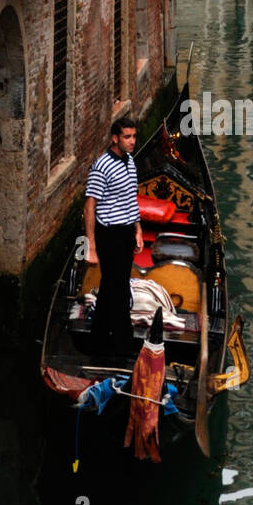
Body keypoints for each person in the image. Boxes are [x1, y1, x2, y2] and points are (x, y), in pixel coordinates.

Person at [84, 117, 143, 353]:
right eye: (127, 137)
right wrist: (91, 246)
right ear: (115, 138)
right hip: (108, 234)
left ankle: (97, 340)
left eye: (134, 136)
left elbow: (131, 199)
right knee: (118, 290)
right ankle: (124, 347)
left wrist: (138, 230)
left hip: (126, 232)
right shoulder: (102, 166)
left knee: (111, 287)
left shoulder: (130, 162)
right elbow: (90, 206)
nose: (132, 142)